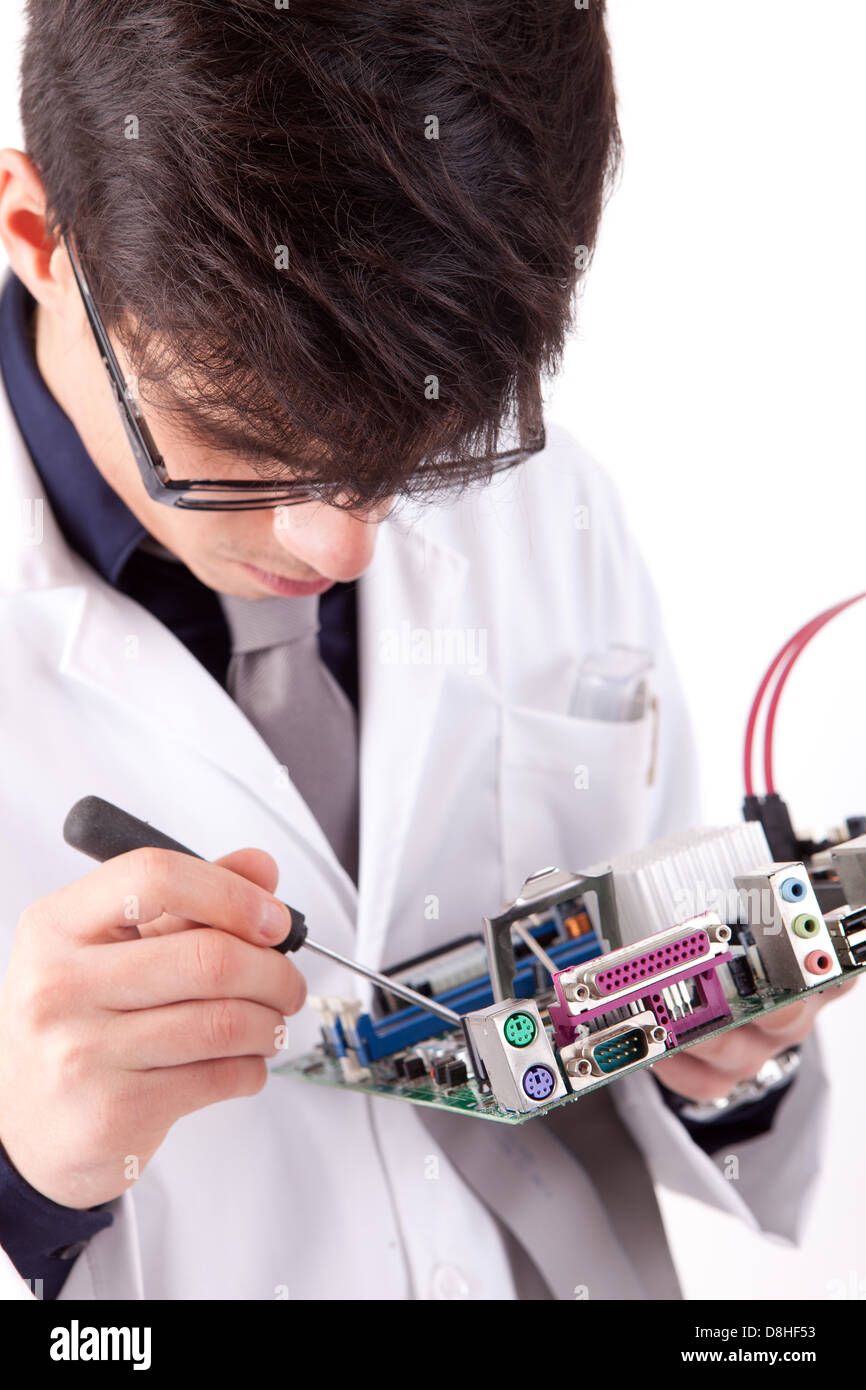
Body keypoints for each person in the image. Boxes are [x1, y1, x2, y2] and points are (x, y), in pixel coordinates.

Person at [0, 0, 847, 1302]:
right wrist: (23, 1171)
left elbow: (689, 1033)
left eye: (407, 454)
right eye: (237, 439)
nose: (339, 544)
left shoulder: (556, 506)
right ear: (38, 235)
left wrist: (736, 1051)